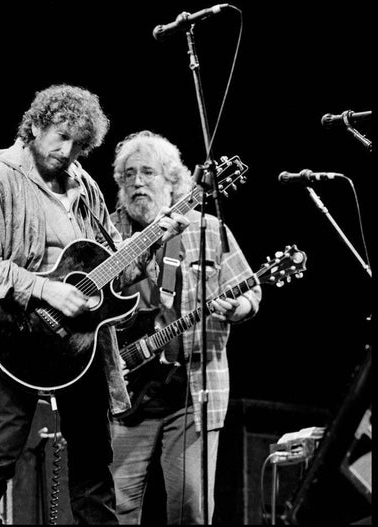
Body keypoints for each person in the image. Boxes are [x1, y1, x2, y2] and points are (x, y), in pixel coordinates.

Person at [0, 85, 189, 524]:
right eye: (60, 137)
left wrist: (155, 237)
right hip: (19, 333)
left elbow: (112, 262)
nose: (67, 152)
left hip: (82, 345)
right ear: (36, 125)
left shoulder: (86, 186)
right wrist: (47, 290)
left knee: (94, 464)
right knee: (1, 451)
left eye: (79, 144)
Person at [108, 130, 261, 524]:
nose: (137, 182)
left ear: (173, 179)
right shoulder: (108, 234)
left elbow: (250, 287)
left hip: (194, 390)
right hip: (125, 394)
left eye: (148, 172)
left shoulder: (208, 228)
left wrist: (239, 307)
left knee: (191, 509)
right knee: (115, 509)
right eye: (128, 175)